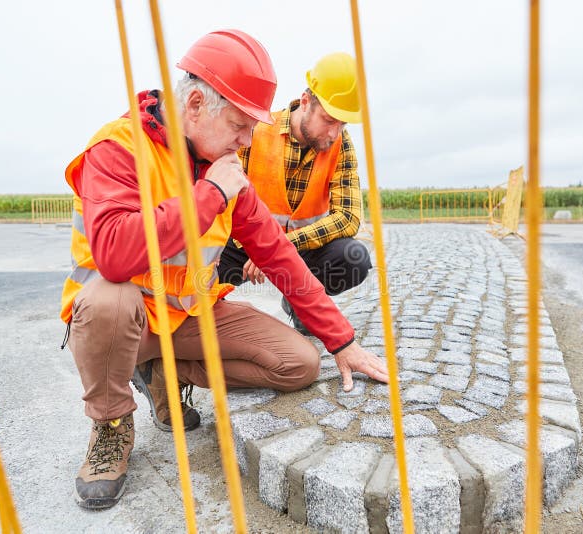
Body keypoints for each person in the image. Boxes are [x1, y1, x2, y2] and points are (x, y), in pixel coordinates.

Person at [59, 30, 389, 510]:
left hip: (186, 315)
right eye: (240, 125)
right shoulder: (119, 148)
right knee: (108, 300)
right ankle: (111, 425)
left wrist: (342, 340)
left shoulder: (225, 166)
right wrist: (209, 195)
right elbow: (112, 253)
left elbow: (278, 255)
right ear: (195, 104)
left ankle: (161, 372)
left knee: (298, 364)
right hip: (122, 319)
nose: (247, 139)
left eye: (253, 126)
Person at [217, 52, 372, 335]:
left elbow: (348, 218)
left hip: (302, 252)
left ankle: (301, 303)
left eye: (343, 124)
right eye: (329, 120)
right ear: (305, 102)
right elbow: (224, 197)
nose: (334, 132)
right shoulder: (257, 131)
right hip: (247, 247)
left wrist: (280, 248)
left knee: (354, 258)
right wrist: (260, 249)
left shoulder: (341, 146)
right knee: (203, 271)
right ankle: (208, 323)